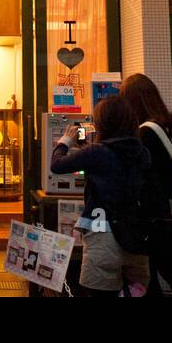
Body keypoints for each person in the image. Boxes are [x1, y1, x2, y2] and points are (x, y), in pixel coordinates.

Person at [50, 95, 153, 296]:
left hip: (102, 234)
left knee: (99, 291)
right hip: (136, 235)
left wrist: (65, 141)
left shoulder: (97, 152)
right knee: (136, 290)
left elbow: (57, 165)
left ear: (102, 123)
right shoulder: (142, 152)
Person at [120, 73, 172, 297]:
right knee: (168, 270)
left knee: (150, 274)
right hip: (167, 210)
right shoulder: (168, 125)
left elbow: (142, 172)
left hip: (151, 215)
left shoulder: (145, 131)